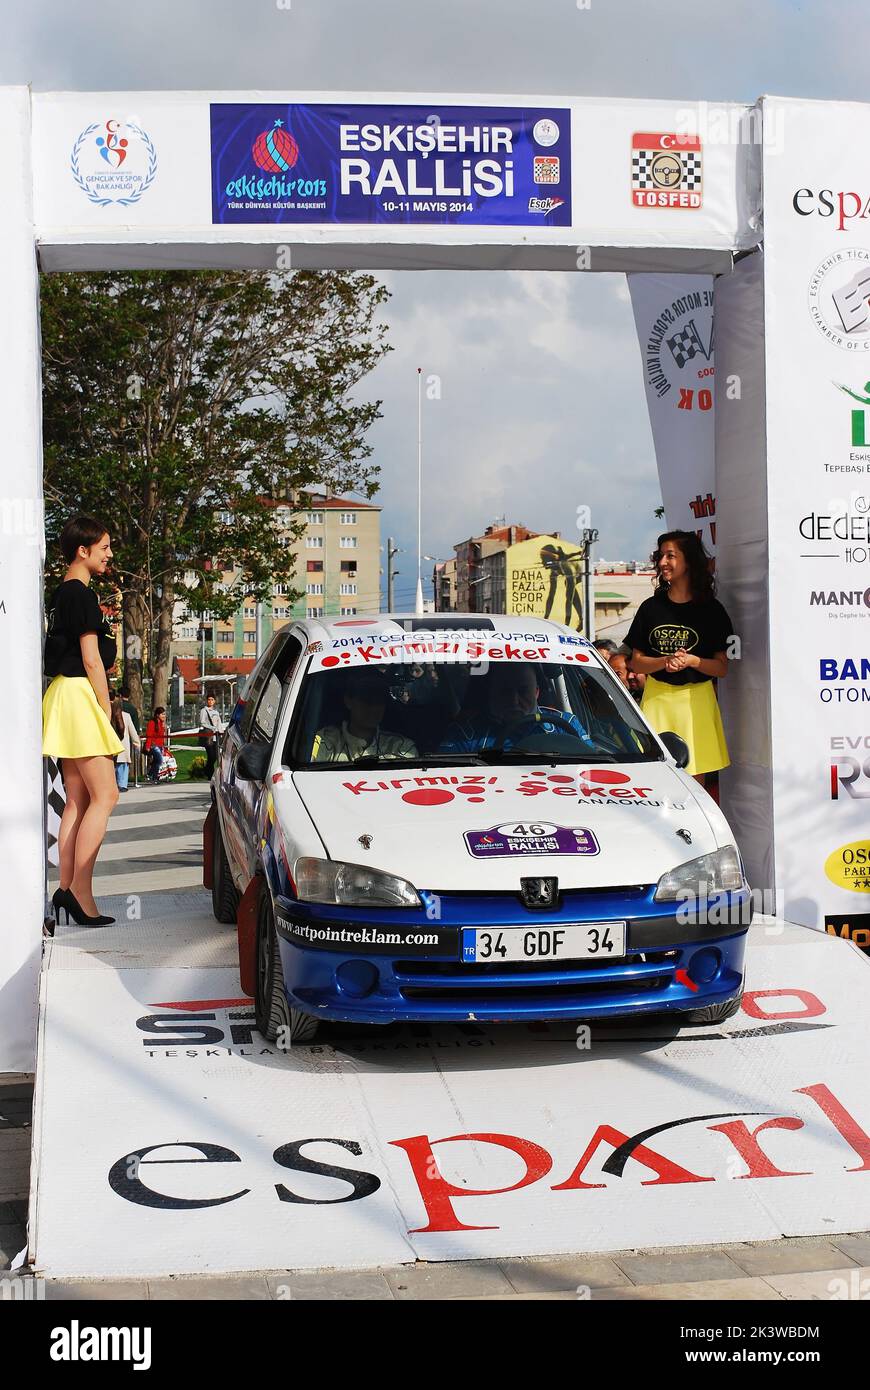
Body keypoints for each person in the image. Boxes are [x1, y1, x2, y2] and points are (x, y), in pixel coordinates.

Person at [42, 515, 123, 927]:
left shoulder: (63, 594)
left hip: (64, 694)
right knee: (106, 795)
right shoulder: (81, 596)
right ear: (83, 550)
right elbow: (92, 659)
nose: (109, 555)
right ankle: (79, 893)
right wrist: (107, 709)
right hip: (79, 694)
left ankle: (66, 888)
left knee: (78, 799)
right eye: (105, 547)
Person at [626, 530, 733, 790]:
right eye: (660, 556)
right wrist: (665, 661)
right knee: (654, 778)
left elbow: (721, 668)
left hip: (697, 702)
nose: (663, 562)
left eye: (670, 555)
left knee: (694, 785)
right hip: (656, 699)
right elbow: (636, 663)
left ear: (690, 561)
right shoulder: (651, 608)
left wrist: (693, 661)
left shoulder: (712, 610)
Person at [440, 663, 595, 754]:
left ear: (536, 692)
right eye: (505, 691)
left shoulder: (565, 724)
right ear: (491, 693)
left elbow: (591, 769)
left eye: (523, 691)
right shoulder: (465, 734)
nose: (514, 700)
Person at [312, 670, 418, 763]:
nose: (373, 707)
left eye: (379, 700)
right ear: (348, 701)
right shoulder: (323, 741)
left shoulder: (401, 747)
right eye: (366, 699)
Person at [540, 544, 584, 628]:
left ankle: (581, 619)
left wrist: (566, 625)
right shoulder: (553, 570)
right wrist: (545, 619)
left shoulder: (566, 567)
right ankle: (580, 619)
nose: (542, 562)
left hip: (579, 573)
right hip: (567, 570)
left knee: (570, 594)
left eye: (544, 559)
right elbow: (551, 596)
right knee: (567, 591)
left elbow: (569, 601)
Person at [111, 694, 141, 792]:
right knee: (123, 766)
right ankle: (122, 785)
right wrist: (137, 743)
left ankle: (114, 785)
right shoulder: (126, 716)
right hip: (122, 746)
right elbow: (132, 731)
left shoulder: (104, 713)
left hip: (109, 747)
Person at [198, 693, 225, 778]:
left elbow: (219, 723)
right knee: (211, 756)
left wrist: (221, 732)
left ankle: (208, 772)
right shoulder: (204, 710)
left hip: (216, 736)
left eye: (212, 700)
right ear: (207, 701)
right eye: (209, 699)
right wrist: (212, 728)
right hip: (208, 736)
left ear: (214, 701)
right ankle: (209, 773)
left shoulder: (216, 712)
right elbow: (202, 722)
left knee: (215, 756)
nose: (210, 701)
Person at [145, 706, 169, 782]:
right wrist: (148, 746)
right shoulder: (152, 723)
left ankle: (150, 775)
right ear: (157, 715)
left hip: (160, 745)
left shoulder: (162, 724)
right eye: (162, 714)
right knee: (159, 760)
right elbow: (149, 735)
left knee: (156, 761)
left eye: (164, 714)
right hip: (153, 745)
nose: (164, 716)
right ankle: (154, 777)